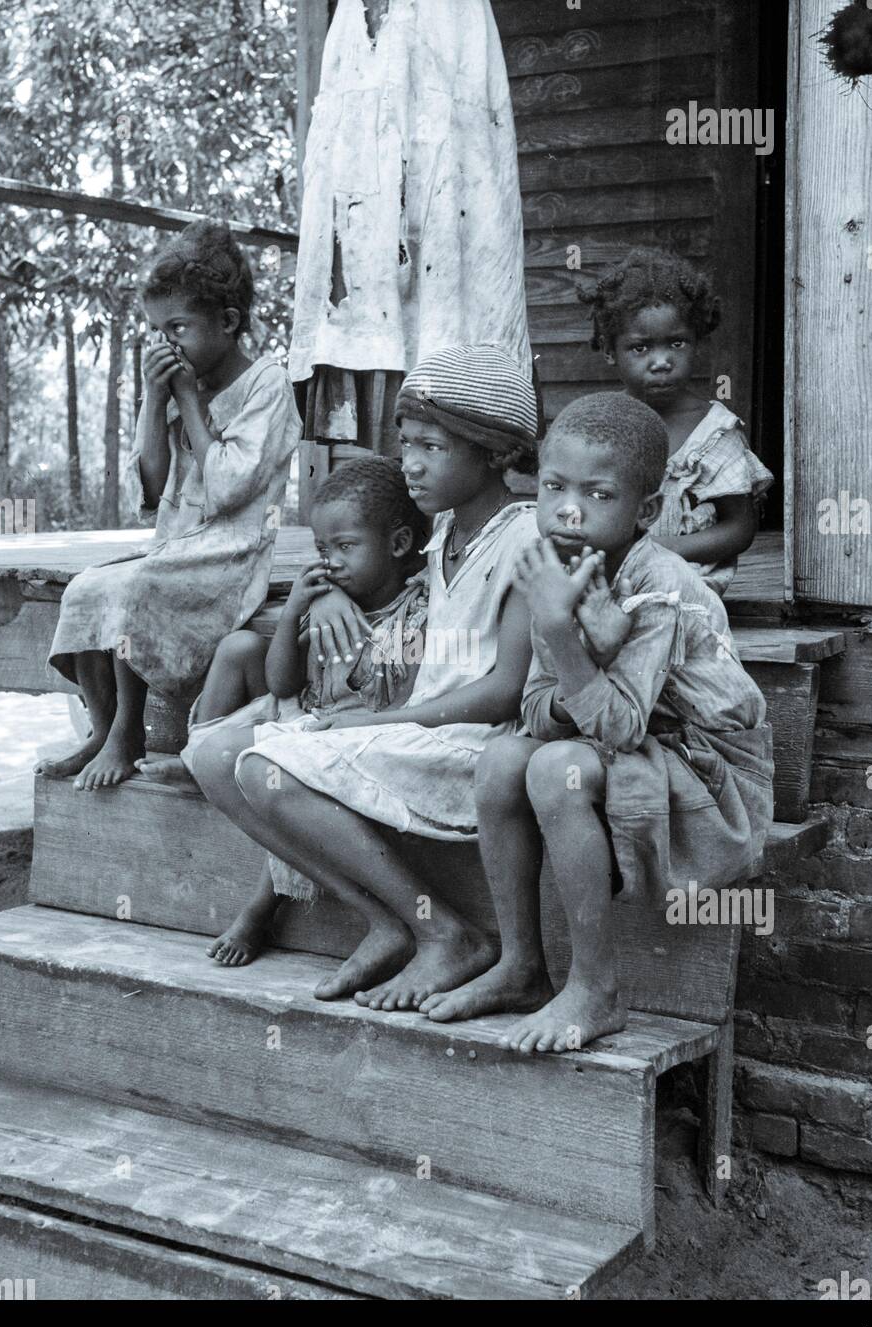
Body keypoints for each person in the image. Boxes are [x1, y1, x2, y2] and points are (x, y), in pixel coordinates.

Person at [187, 344, 540, 1005]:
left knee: (267, 768)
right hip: (423, 734)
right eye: (406, 442)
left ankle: (444, 932)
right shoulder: (440, 540)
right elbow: (368, 538)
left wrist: (378, 719)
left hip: (476, 746)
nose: (410, 462)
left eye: (432, 446)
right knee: (216, 757)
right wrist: (325, 591)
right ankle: (386, 921)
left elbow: (503, 692)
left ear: (494, 451)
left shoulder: (523, 538)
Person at [421, 392, 774, 1053]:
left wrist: (562, 635)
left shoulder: (659, 586)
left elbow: (618, 727)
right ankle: (523, 966)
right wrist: (572, 660)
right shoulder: (557, 566)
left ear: (644, 510)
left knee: (559, 771)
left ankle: (597, 988)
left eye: (597, 494)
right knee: (501, 758)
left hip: (714, 780)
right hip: (641, 750)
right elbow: (532, 706)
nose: (569, 508)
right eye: (553, 487)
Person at [36, 219, 301, 790]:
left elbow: (229, 487)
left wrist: (184, 396)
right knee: (86, 588)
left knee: (135, 589)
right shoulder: (180, 381)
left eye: (177, 327)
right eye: (156, 330)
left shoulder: (267, 386)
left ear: (228, 323)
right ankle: (102, 729)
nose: (165, 343)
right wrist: (157, 400)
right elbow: (153, 489)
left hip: (230, 556)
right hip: (175, 546)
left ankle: (128, 731)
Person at [137, 455, 429, 967]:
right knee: (238, 648)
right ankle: (196, 761)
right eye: (322, 549)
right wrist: (300, 604)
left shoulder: (410, 613)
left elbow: (378, 704)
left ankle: (260, 905)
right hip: (304, 710)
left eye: (345, 547)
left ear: (400, 544)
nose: (330, 561)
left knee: (278, 778)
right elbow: (280, 681)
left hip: (347, 734)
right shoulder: (329, 595)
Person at [579, 246, 772, 594]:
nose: (661, 361)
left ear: (697, 343)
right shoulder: (601, 424)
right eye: (640, 348)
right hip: (610, 579)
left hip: (686, 585)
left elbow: (740, 527)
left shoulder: (712, 433)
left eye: (677, 344)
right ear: (610, 351)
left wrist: (659, 552)